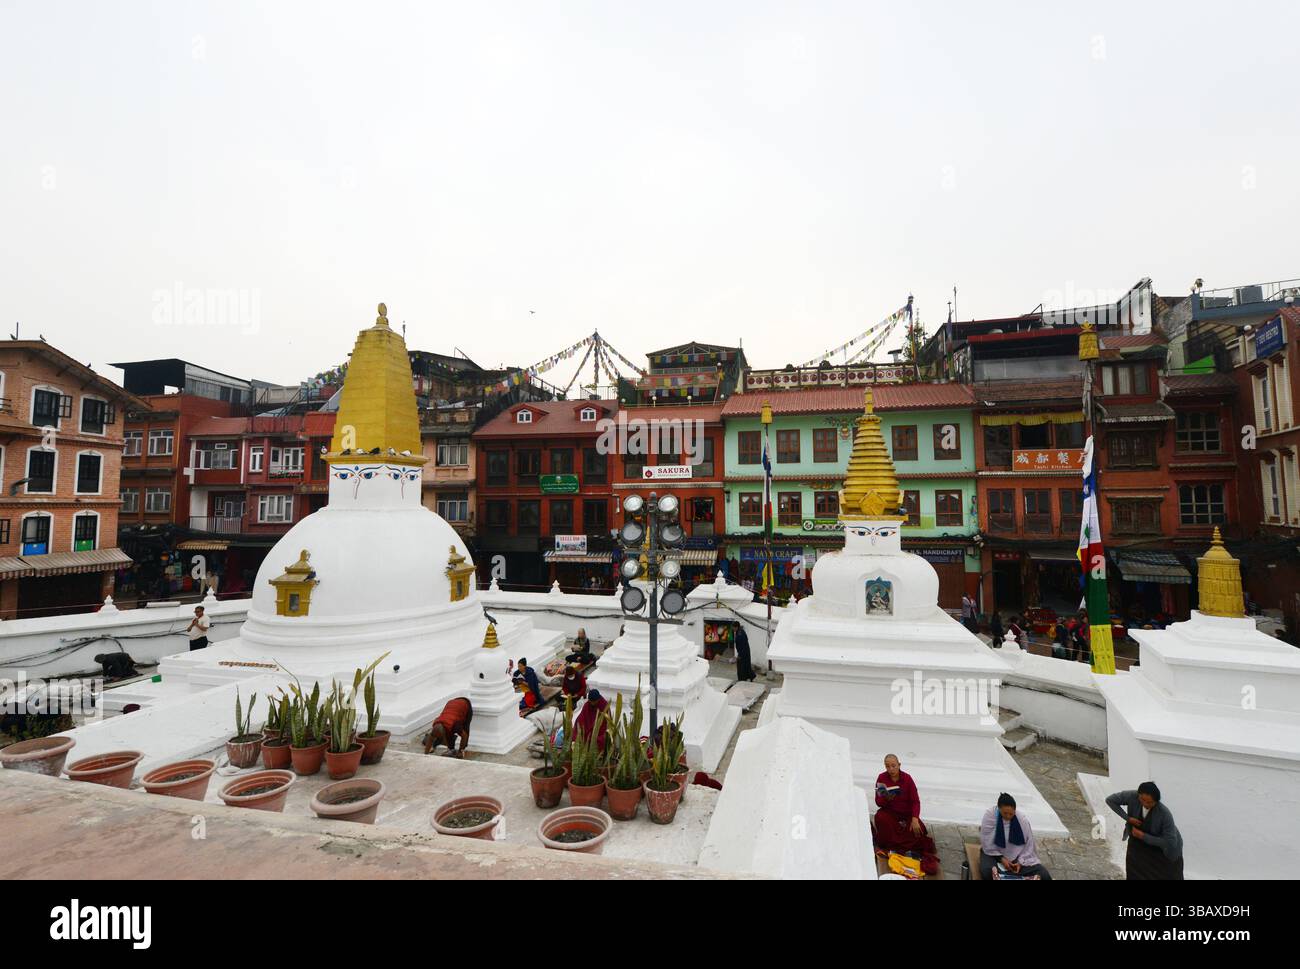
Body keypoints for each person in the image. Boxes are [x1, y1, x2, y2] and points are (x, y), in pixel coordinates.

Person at [871, 754, 939, 875]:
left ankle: (896, 845)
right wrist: (887, 798)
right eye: (887, 766)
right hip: (890, 814)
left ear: (899, 765)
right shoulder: (882, 778)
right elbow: (878, 802)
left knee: (920, 829)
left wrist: (914, 818)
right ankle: (903, 845)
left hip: (906, 815)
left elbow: (915, 801)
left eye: (893, 765)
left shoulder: (907, 779)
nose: (891, 769)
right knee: (879, 817)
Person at [1106, 782, 1185, 880]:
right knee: (1134, 872)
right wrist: (1128, 818)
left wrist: (1143, 836)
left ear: (1156, 801)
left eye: (1150, 802)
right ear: (1138, 795)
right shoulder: (1132, 796)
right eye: (1142, 800)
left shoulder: (1164, 814)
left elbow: (1170, 842)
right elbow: (1110, 800)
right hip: (1139, 845)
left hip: (1163, 852)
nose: (1145, 804)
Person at [979, 793, 1052, 879]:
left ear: (1015, 810)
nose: (1008, 816)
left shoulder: (1022, 820)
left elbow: (1029, 846)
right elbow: (987, 843)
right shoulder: (990, 816)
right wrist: (1001, 858)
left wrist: (1020, 863)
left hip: (1017, 858)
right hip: (993, 855)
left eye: (1011, 814)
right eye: (1005, 813)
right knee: (987, 872)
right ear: (999, 808)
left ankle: (1008, 876)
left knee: (1044, 874)